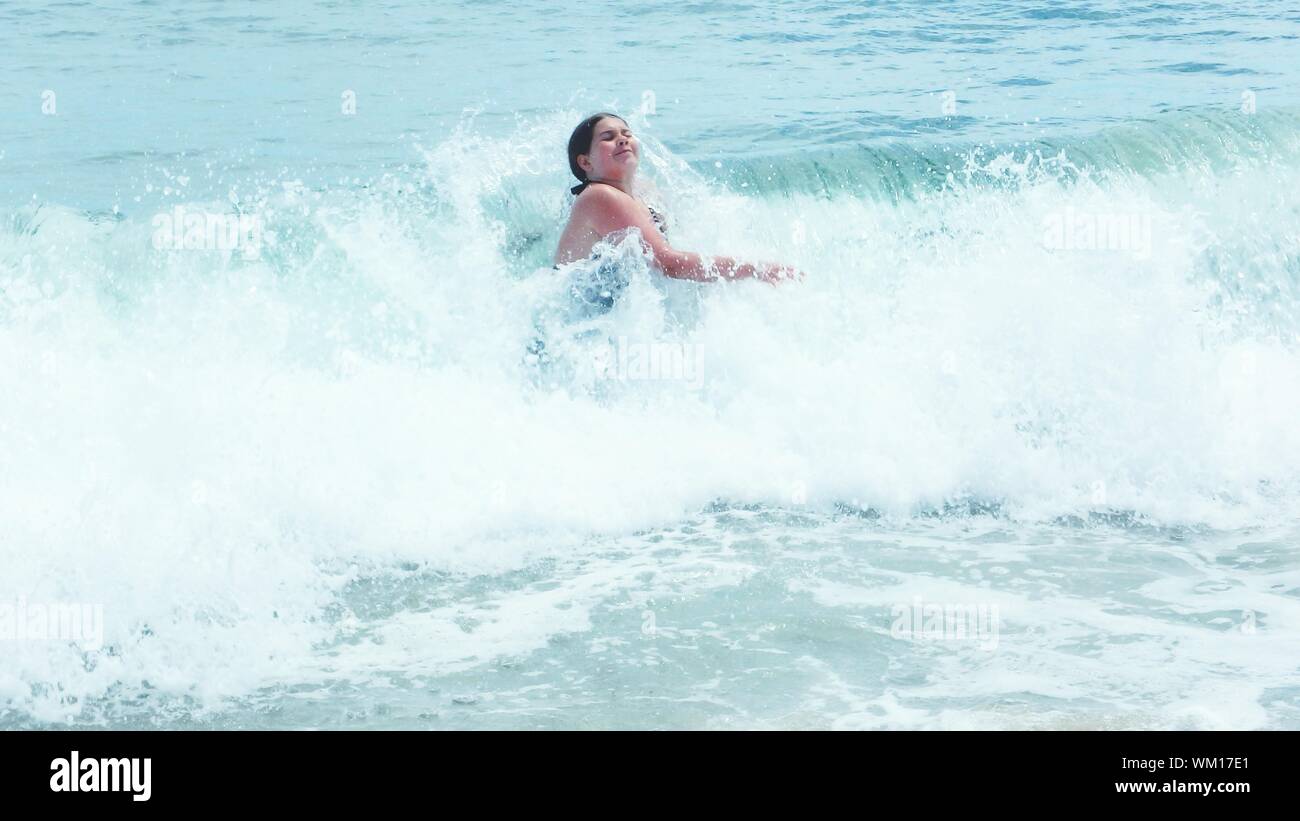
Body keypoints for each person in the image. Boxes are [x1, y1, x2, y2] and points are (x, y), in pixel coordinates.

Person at [553, 112, 802, 284]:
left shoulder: (644, 191)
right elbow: (668, 263)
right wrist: (756, 270)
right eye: (607, 137)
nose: (622, 139)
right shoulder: (598, 195)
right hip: (576, 318)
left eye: (626, 133)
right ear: (585, 162)